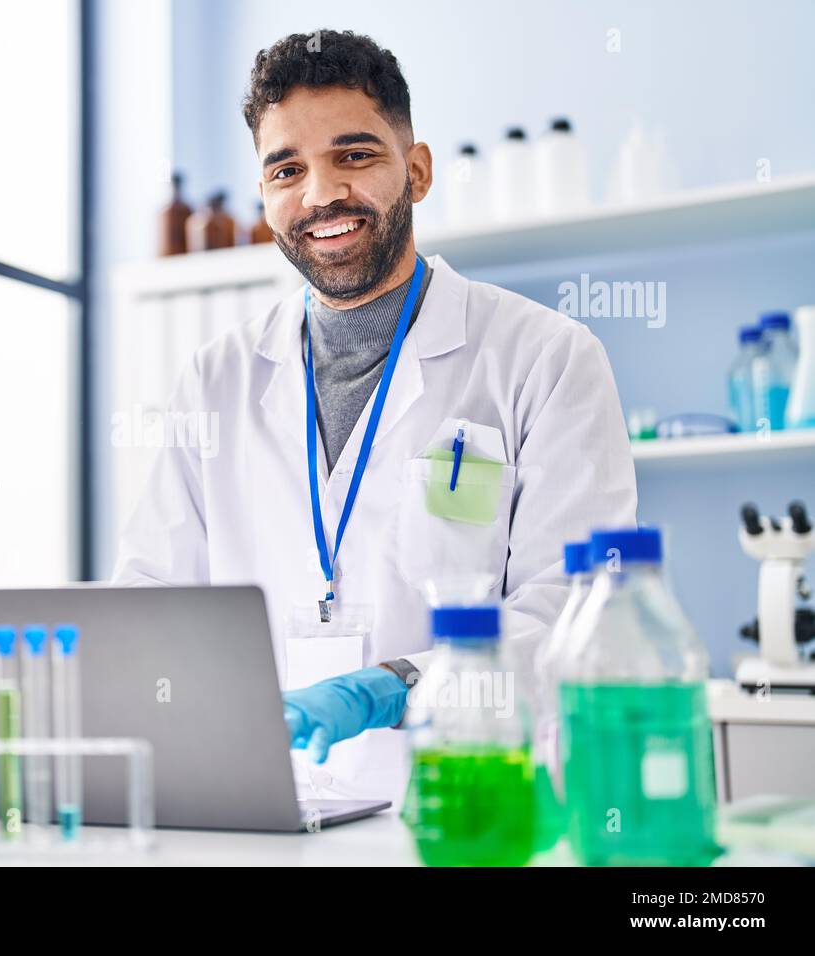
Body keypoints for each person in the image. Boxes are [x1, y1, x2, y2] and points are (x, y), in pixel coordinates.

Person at [114, 29, 636, 800]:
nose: (320, 193)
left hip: (473, 804)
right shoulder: (215, 378)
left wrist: (397, 684)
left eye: (354, 155)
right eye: (286, 169)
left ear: (415, 170)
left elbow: (576, 612)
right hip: (270, 809)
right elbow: (153, 596)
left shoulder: (546, 357)